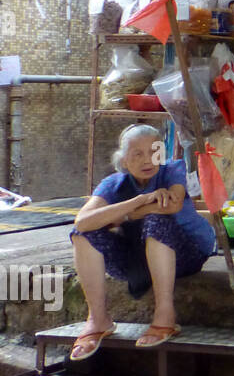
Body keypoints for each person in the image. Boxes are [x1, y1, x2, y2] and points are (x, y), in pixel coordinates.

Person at [68, 124, 217, 360]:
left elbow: (171, 205)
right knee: (83, 234)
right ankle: (98, 319)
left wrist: (119, 217)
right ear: (124, 160)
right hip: (140, 256)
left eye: (154, 152)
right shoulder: (113, 184)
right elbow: (83, 222)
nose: (148, 160)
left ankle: (165, 316)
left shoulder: (172, 171)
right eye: (138, 154)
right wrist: (139, 200)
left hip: (187, 253)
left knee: (157, 220)